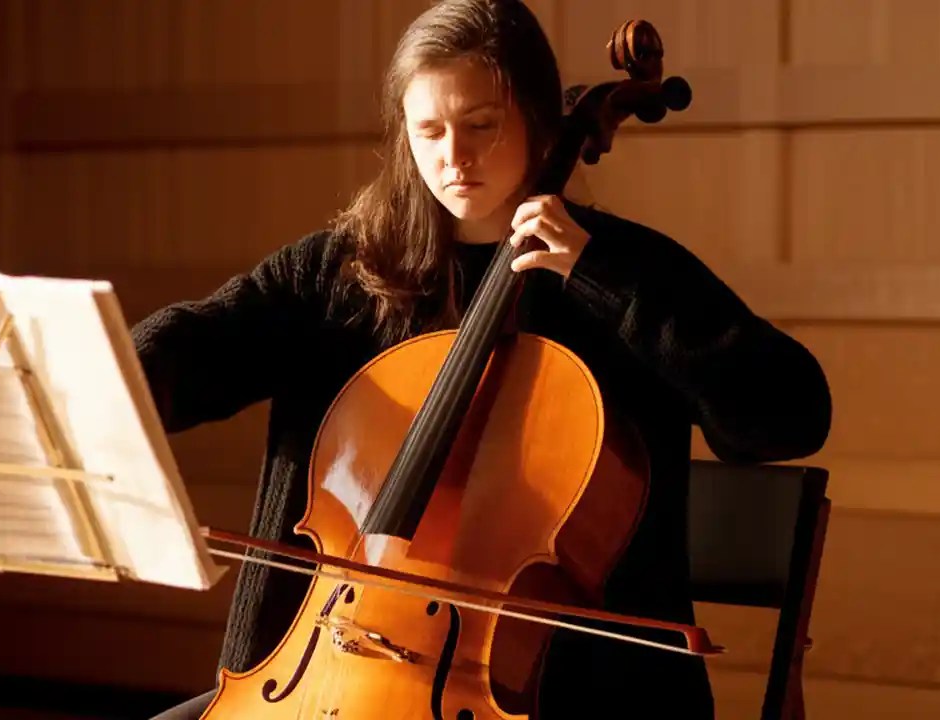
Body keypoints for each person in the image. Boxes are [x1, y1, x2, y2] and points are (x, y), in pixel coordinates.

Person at [133, 0, 831, 717]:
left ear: (537, 120)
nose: (454, 158)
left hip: (556, 697)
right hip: (316, 681)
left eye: (481, 126)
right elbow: (198, 348)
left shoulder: (627, 271)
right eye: (428, 130)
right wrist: (108, 372)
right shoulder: (339, 274)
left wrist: (604, 283)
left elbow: (790, 413)